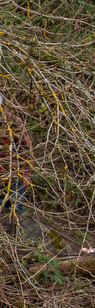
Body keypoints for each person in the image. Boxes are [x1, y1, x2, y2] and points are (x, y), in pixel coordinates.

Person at [2, 93, 33, 221]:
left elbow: (26, 148)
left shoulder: (13, 121)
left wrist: (26, 173)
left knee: (16, 212)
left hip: (13, 175)